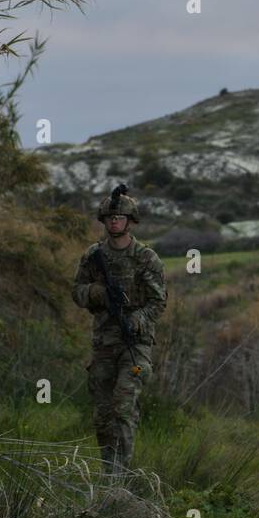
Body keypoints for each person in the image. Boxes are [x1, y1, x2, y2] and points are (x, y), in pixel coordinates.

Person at [72, 186, 167, 473]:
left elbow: (158, 302)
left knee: (123, 406)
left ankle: (121, 476)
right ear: (104, 220)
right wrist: (97, 293)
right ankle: (108, 471)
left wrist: (136, 319)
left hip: (135, 345)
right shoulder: (93, 256)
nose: (114, 221)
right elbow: (76, 292)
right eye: (110, 217)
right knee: (103, 414)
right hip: (104, 344)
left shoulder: (146, 258)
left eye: (120, 217)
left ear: (130, 221)